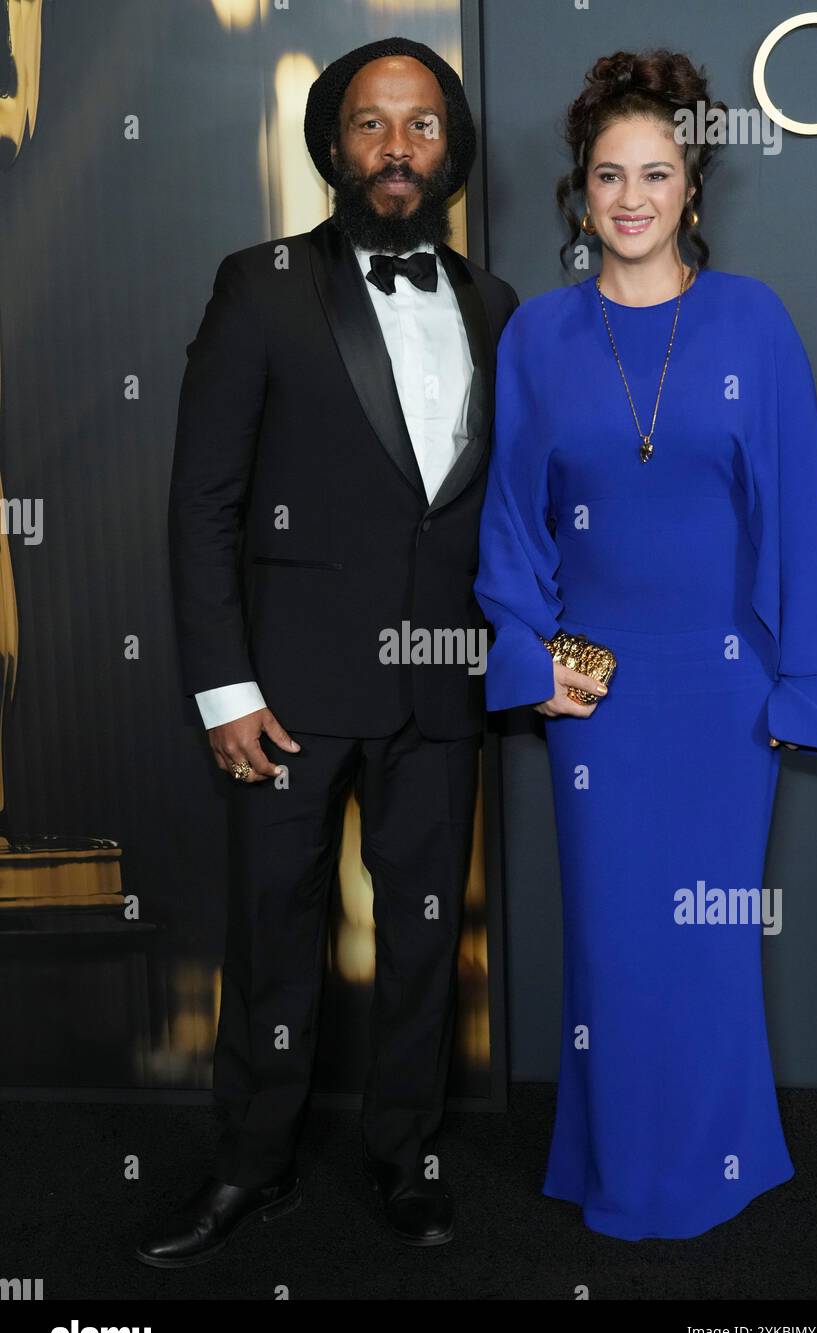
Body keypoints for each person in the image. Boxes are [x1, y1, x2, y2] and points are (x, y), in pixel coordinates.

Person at [136, 37, 520, 1266]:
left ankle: (403, 1157)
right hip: (286, 693)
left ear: (449, 146)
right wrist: (224, 685)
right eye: (370, 124)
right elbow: (204, 502)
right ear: (333, 144)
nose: (395, 146)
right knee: (273, 932)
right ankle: (251, 1167)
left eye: (418, 125)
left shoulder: (493, 303)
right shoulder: (259, 285)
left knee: (421, 940)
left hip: (440, 685)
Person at [473, 49, 817, 1241]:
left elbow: (795, 513)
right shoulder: (537, 334)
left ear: (693, 187)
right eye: (605, 175)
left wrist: (799, 678)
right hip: (603, 696)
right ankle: (618, 1165)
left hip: (724, 701)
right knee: (613, 948)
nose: (629, 197)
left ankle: (717, 1162)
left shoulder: (751, 319)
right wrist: (531, 663)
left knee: (705, 949)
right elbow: (512, 519)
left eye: (656, 172)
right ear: (578, 195)